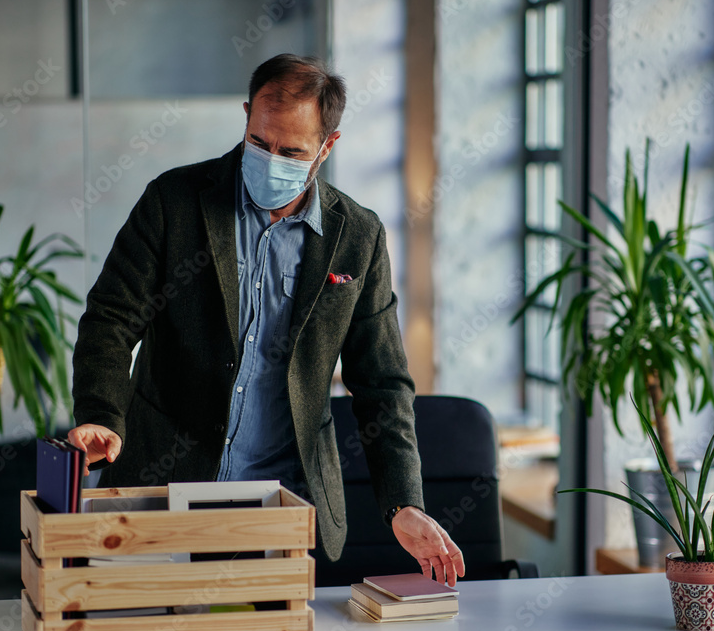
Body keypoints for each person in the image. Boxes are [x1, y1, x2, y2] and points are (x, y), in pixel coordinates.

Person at [67, 54, 465, 586]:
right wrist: (100, 411)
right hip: (162, 482)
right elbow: (110, 320)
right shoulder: (175, 202)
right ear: (247, 116)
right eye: (259, 142)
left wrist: (403, 502)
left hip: (281, 504)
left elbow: (382, 383)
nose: (270, 158)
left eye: (291, 151)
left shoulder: (359, 238)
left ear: (327, 147)